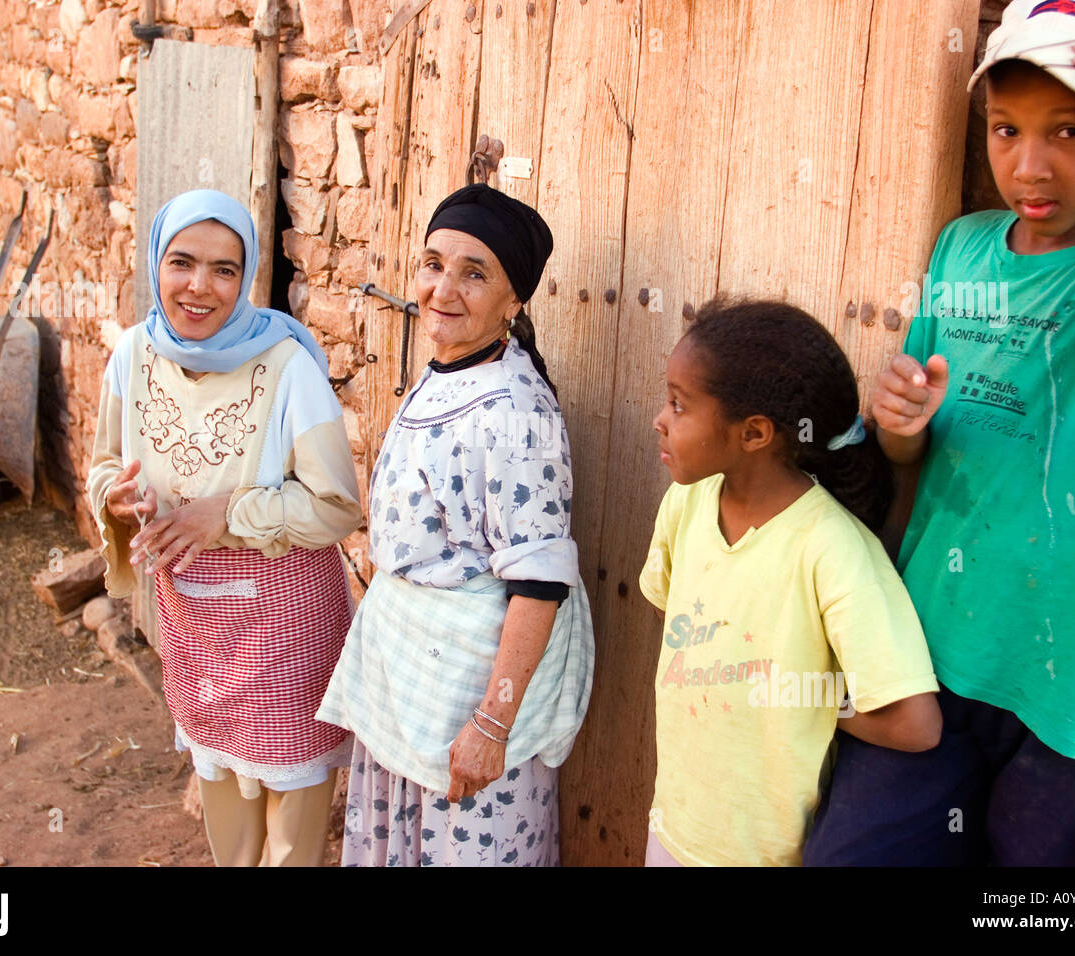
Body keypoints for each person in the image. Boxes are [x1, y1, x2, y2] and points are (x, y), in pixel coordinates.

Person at [804, 0, 1075, 866]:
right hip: (934, 648)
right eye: (1004, 129)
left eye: (1069, 132)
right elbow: (913, 454)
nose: (1028, 166)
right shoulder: (963, 249)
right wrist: (900, 424)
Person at [316, 183, 595, 867]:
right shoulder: (446, 372)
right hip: (416, 692)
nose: (443, 287)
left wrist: (490, 725)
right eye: (434, 264)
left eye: (475, 273)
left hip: (470, 710)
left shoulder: (518, 410)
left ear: (514, 301)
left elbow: (538, 583)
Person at [86, 189, 362, 866]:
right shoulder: (132, 356)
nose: (199, 287)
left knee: (291, 832)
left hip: (285, 629)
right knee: (224, 815)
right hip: (192, 623)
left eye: (224, 269)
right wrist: (115, 503)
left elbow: (336, 507)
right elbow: (98, 467)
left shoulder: (288, 367)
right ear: (155, 263)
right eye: (182, 262)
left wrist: (228, 512)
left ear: (247, 279)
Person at [639, 298, 941, 867]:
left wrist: (805, 697)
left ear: (753, 432)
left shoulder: (832, 548)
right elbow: (673, 610)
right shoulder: (687, 502)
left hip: (768, 851)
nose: (660, 417)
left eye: (679, 405)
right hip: (675, 826)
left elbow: (915, 724)